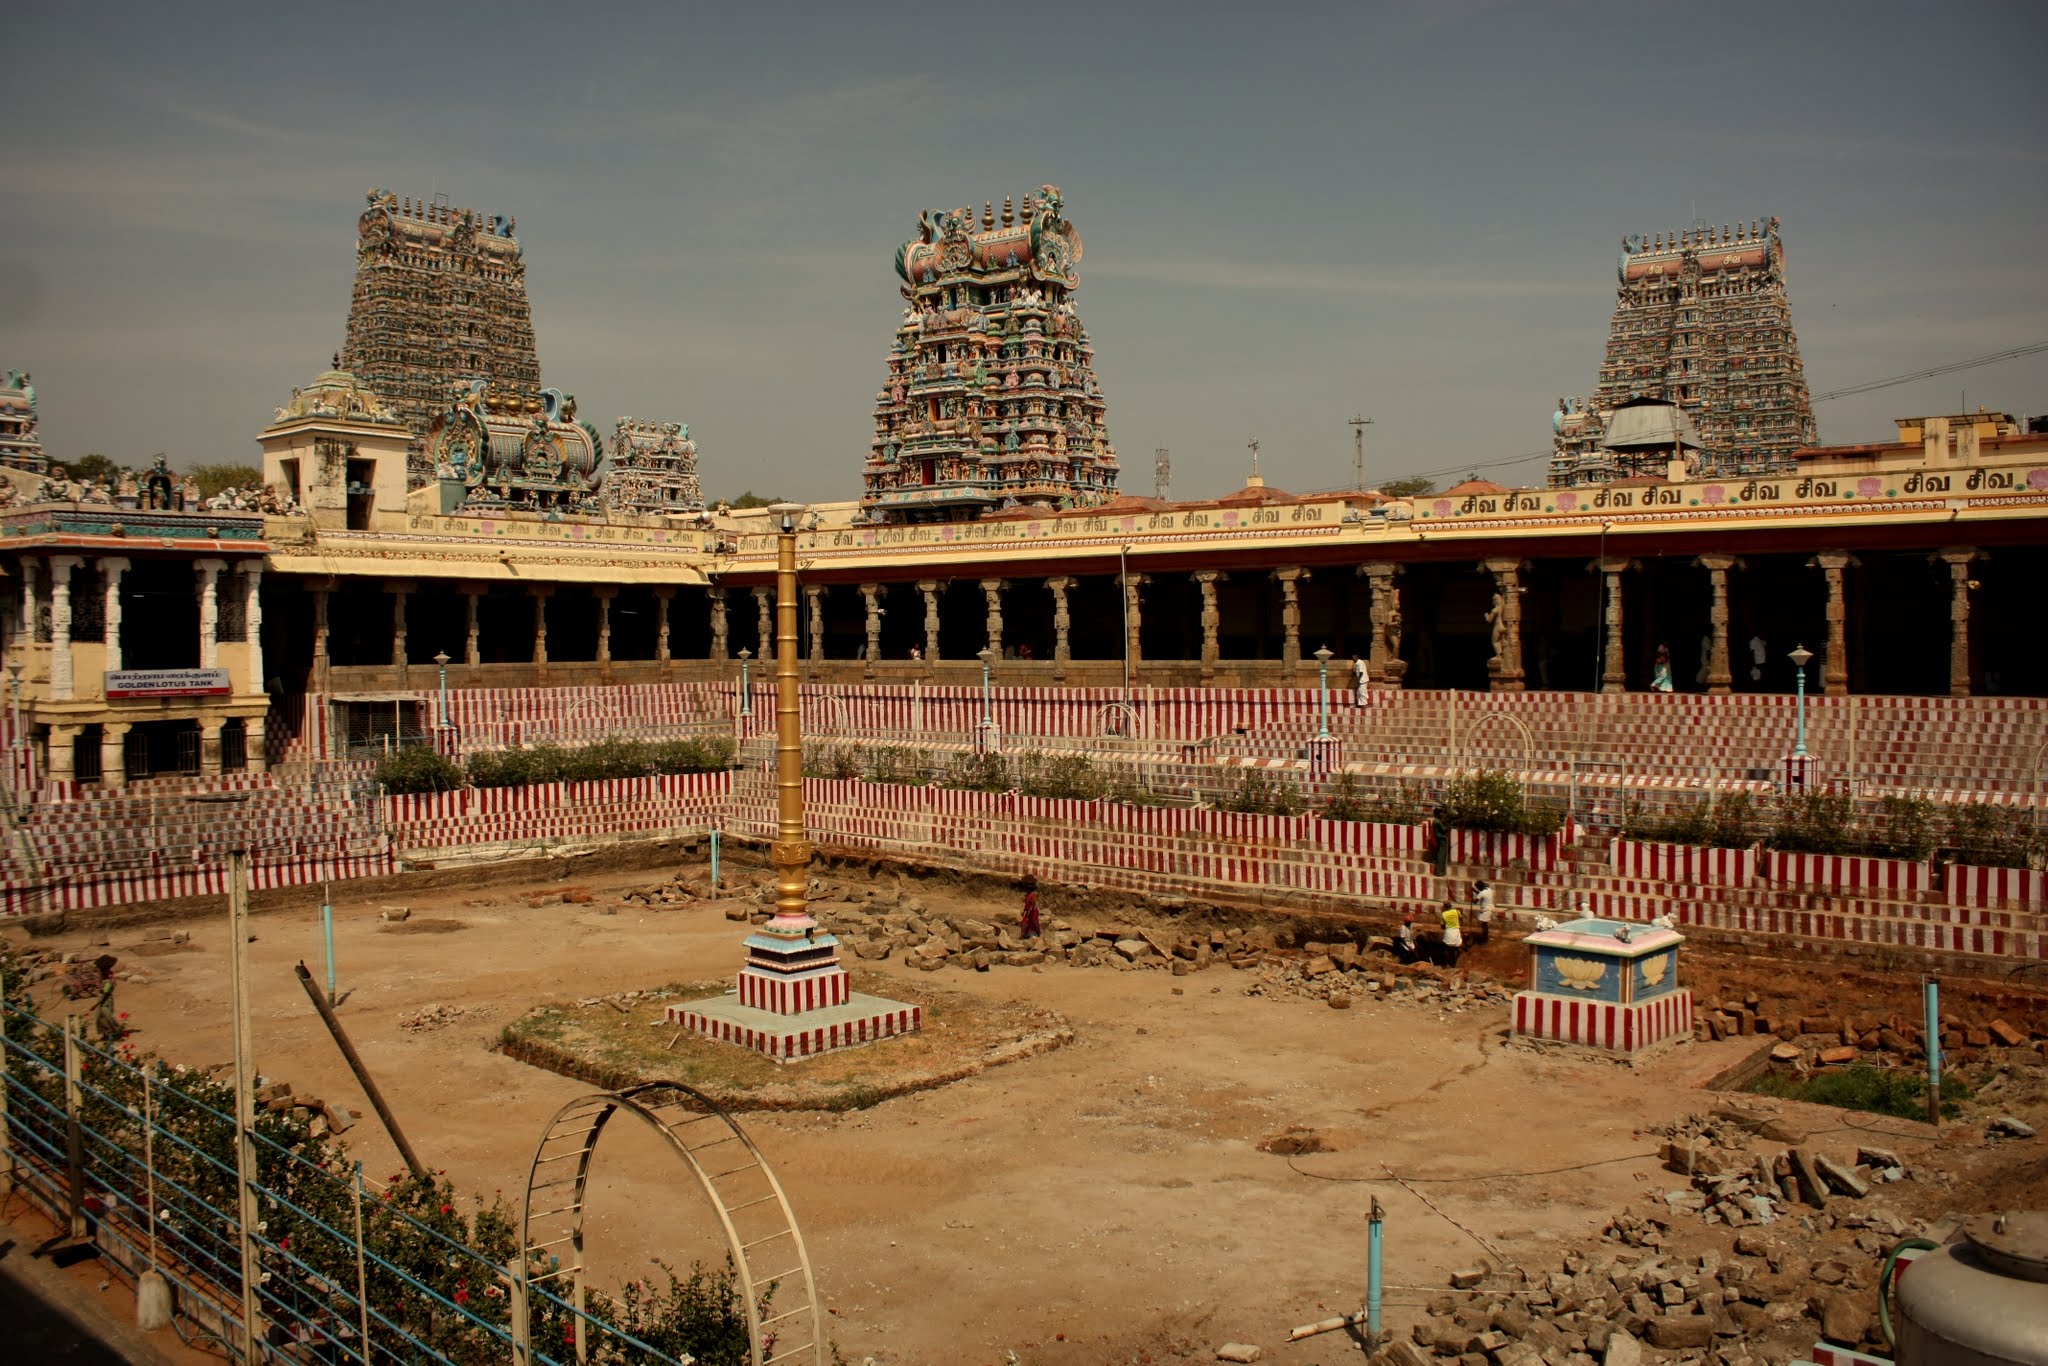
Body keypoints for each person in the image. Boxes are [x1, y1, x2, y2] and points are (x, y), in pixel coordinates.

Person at [1471, 879, 1494, 946]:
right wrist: (1474, 891)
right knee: (1485, 924)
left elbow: (1475, 902)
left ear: (1479, 887)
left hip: (1486, 910)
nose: (1477, 888)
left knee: (1484, 925)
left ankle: (1485, 940)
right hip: (1490, 908)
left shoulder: (1482, 893)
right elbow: (1481, 894)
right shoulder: (1488, 890)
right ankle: (1485, 937)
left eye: (1477, 888)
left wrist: (1471, 896)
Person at [1430, 806, 1450, 878]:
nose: (1442, 814)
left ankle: (1440, 871)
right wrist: (1448, 825)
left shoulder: (1436, 821)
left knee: (1440, 855)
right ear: (1438, 814)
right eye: (1441, 813)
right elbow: (1444, 829)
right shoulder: (1437, 822)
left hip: (1439, 839)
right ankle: (1440, 872)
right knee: (1441, 855)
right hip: (1441, 839)